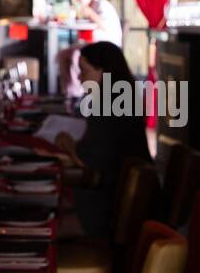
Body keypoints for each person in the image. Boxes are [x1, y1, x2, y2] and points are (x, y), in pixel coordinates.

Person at [47, 41, 151, 236]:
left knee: (47, 225)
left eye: (84, 70)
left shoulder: (108, 105)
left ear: (103, 72)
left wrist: (69, 144)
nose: (79, 76)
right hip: (127, 198)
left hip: (116, 206)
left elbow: (89, 161)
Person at [57, 0, 122, 98]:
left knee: (75, 56)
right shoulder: (87, 7)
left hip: (106, 44)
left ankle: (77, 93)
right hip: (91, 43)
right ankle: (67, 91)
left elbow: (105, 26)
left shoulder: (102, 4)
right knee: (62, 55)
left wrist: (90, 13)